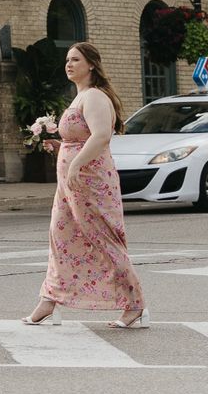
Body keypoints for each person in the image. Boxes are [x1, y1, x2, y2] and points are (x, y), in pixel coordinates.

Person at [27, 40, 147, 328]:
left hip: (90, 182)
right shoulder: (80, 96)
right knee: (61, 237)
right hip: (71, 184)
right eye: (68, 60)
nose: (69, 64)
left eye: (76, 60)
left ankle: (134, 304)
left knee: (102, 238)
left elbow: (101, 135)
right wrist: (61, 146)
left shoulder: (93, 96)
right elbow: (82, 137)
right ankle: (49, 299)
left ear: (91, 64)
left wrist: (77, 163)